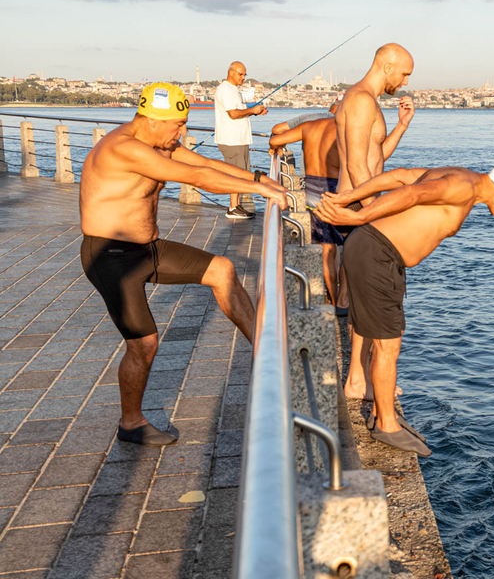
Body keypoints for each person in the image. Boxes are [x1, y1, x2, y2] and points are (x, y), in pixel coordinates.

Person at [80, 82, 289, 446]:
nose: (183, 132)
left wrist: (258, 178)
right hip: (111, 257)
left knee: (222, 269)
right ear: (151, 120)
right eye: (177, 125)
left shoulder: (157, 142)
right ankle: (130, 423)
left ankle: (267, 358)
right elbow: (197, 178)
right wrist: (262, 192)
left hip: (147, 249)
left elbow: (205, 163)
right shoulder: (124, 148)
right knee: (144, 344)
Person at [315, 163, 494, 457]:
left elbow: (399, 174)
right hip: (377, 252)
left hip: (377, 252)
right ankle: (386, 424)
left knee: (379, 328)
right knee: (388, 344)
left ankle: (360, 385)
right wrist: (357, 214)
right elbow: (412, 193)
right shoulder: (463, 187)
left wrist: (348, 196)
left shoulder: (464, 177)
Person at [269, 95, 414, 310]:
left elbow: (275, 139)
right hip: (337, 194)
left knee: (327, 250)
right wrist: (401, 126)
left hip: (311, 194)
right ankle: (344, 300)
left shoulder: (310, 126)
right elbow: (380, 156)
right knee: (348, 248)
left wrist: (277, 149)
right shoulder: (344, 135)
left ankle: (333, 296)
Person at [333, 43, 414, 390]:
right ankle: (359, 379)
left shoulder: (366, 99)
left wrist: (402, 125)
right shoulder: (362, 99)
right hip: (356, 206)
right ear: (387, 65)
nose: (405, 80)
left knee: (360, 297)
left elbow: (375, 155)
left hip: (359, 202)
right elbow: (355, 163)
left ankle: (358, 376)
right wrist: (374, 214)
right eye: (404, 73)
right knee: (369, 298)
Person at [214, 61, 269, 219]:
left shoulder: (233, 90)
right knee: (235, 174)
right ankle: (232, 208)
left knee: (238, 173)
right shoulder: (225, 90)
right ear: (231, 72)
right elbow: (233, 114)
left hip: (238, 139)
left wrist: (254, 112)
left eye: (245, 74)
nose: (243, 77)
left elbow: (238, 112)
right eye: (240, 74)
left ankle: (235, 206)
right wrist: (252, 110)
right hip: (232, 140)